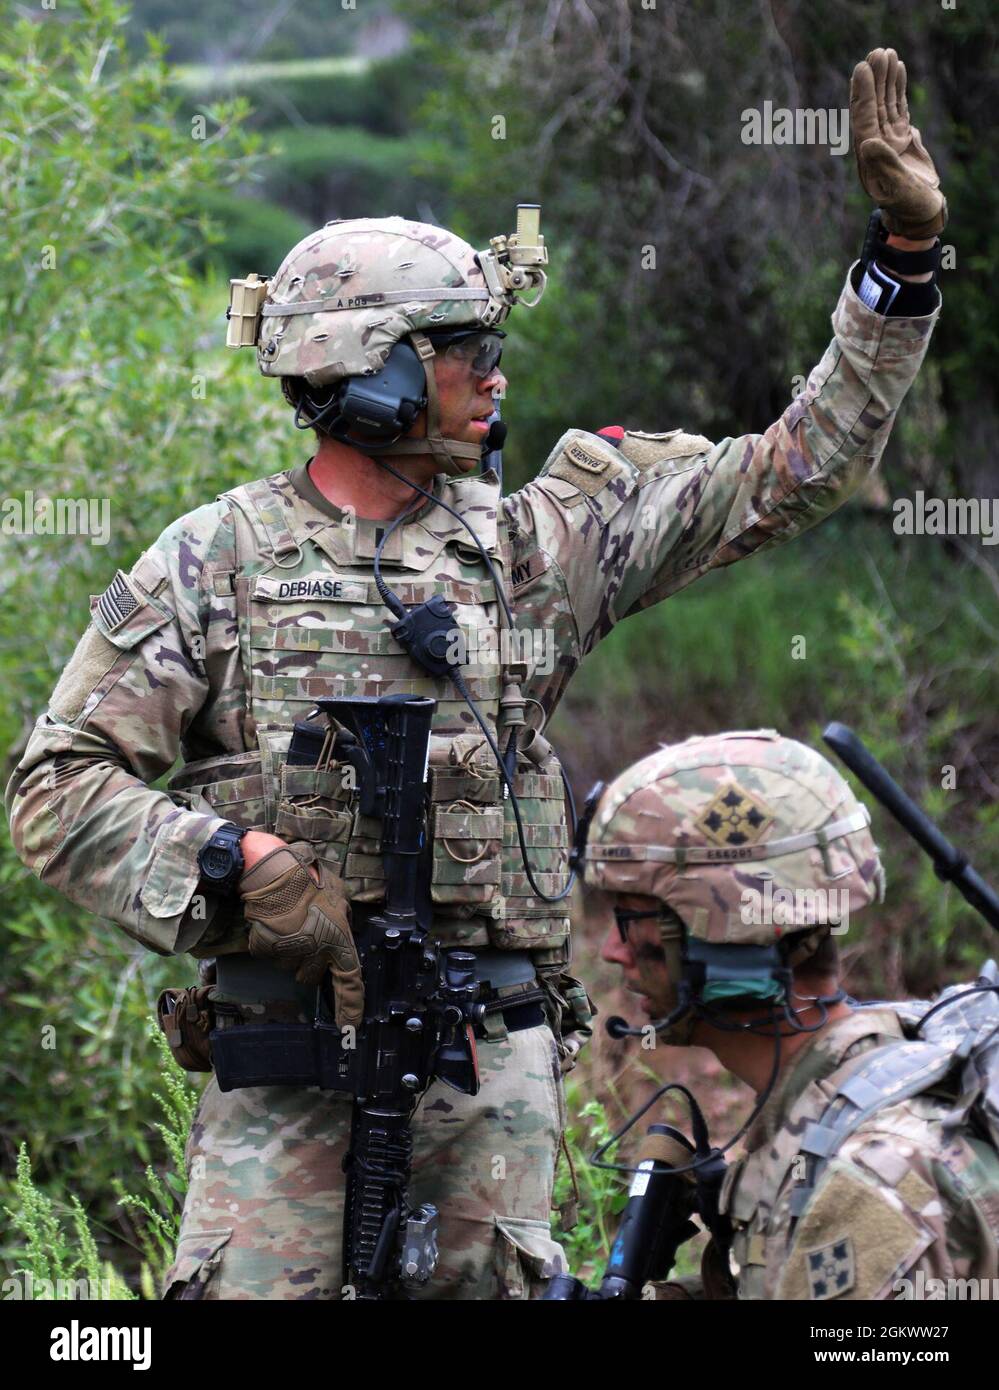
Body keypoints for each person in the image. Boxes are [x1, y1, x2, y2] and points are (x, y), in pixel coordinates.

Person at [5, 49, 947, 1300]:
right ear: (375, 370)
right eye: (466, 345)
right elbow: (55, 792)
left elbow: (795, 469)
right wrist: (237, 867)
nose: (494, 370)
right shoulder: (217, 560)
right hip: (284, 1060)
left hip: (488, 1064)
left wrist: (902, 256)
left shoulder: (537, 544)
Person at [581, 730, 999, 1300]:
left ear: (727, 939)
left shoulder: (868, 1189)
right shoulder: (833, 1094)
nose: (611, 950)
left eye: (631, 922)